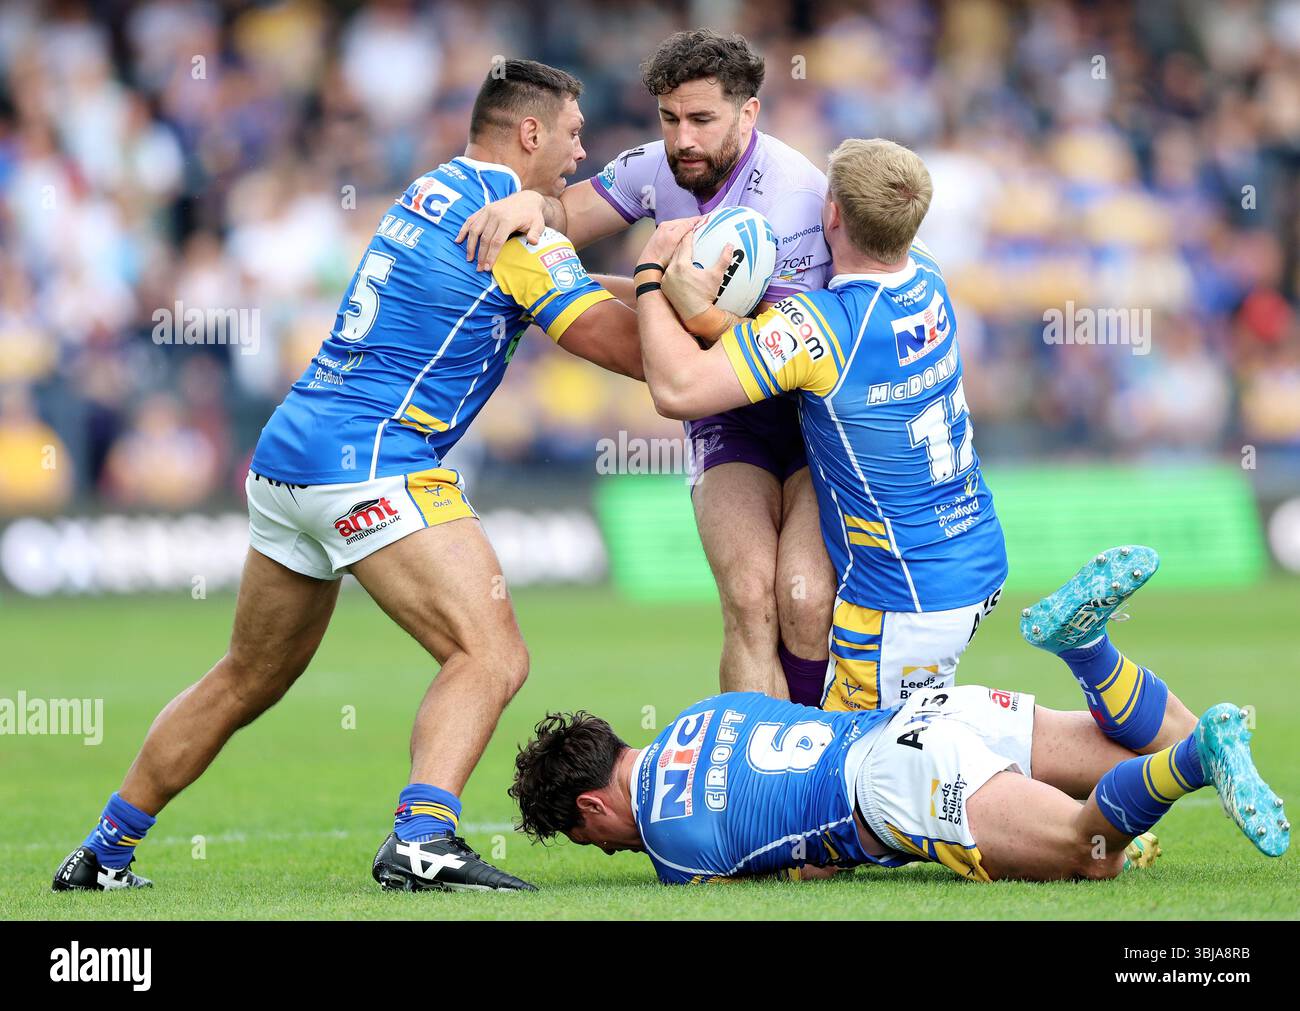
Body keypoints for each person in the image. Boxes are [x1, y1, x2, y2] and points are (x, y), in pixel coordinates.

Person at [52, 59, 645, 894]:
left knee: (246, 675)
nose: (582, 156)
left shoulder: (430, 191)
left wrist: (642, 283)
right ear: (531, 133)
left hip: (291, 451)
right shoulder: (520, 237)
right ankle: (423, 838)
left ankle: (102, 852)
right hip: (372, 458)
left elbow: (560, 280)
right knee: (488, 653)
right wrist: (681, 294)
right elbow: (621, 350)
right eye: (575, 135)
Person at [509, 546, 1291, 883]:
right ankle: (1090, 653)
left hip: (896, 781)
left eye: (593, 837)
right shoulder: (704, 712)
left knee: (1092, 852)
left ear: (593, 803)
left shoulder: (673, 853)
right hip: (922, 714)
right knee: (1156, 737)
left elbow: (807, 868)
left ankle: (1193, 761)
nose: (613, 851)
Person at [457, 30, 838, 706]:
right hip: (730, 420)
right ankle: (759, 786)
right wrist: (530, 206)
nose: (682, 138)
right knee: (750, 598)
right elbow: (565, 215)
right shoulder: (653, 168)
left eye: (701, 120)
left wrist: (651, 285)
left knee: (803, 603)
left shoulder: (797, 198)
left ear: (748, 114)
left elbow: (761, 350)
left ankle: (819, 770)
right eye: (669, 118)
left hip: (813, 423)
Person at [635, 138, 1007, 714]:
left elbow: (678, 389)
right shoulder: (927, 273)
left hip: (904, 594)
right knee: (934, 741)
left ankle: (1142, 749)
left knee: (866, 774)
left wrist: (650, 277)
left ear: (830, 214)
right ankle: (1146, 727)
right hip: (971, 555)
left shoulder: (822, 328)